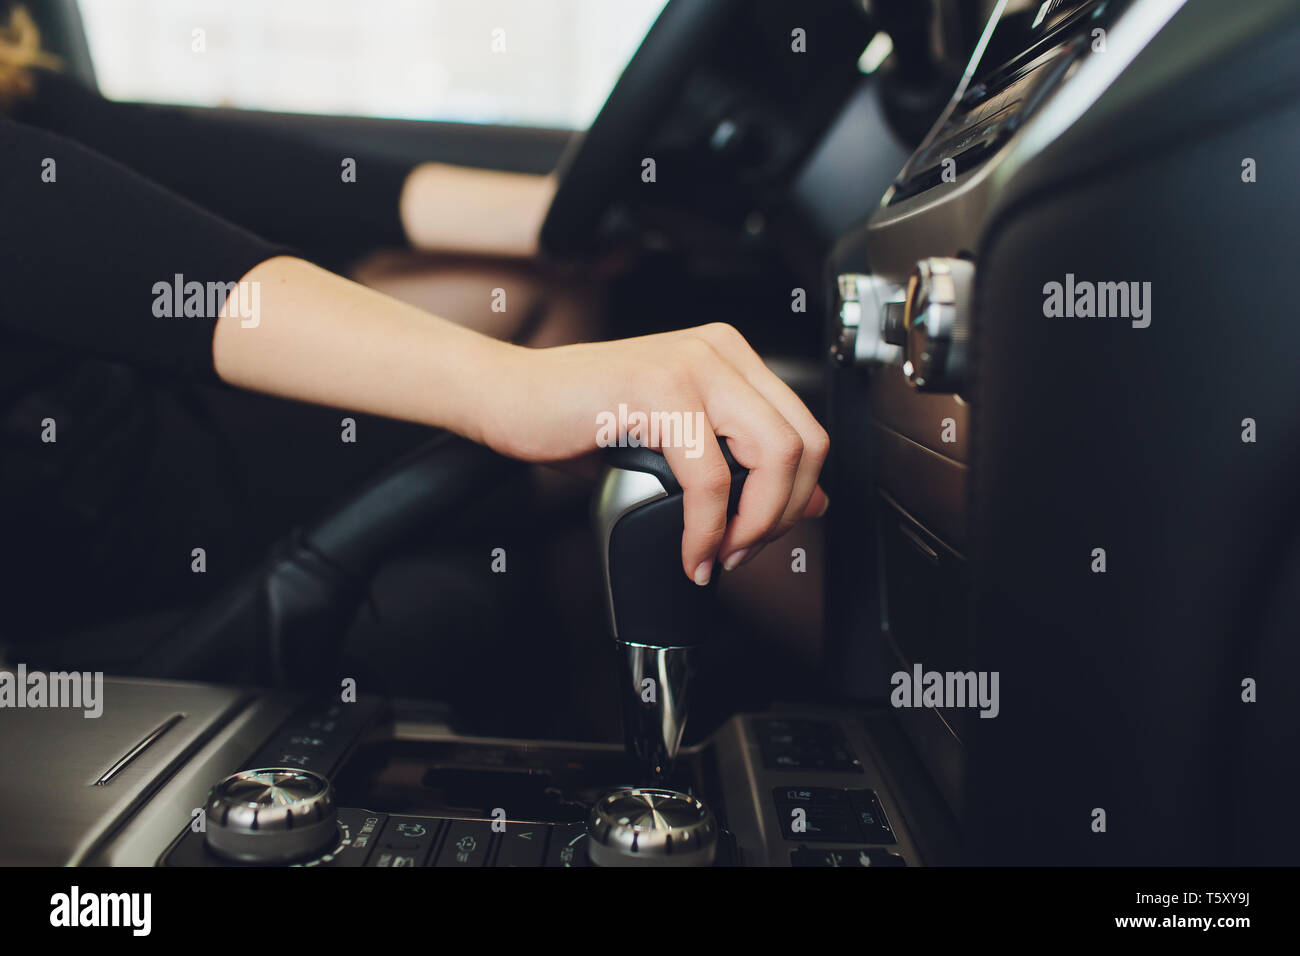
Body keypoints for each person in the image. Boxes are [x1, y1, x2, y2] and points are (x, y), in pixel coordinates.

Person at [0, 6, 829, 644]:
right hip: (95, 504)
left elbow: (177, 158)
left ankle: (601, 648)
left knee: (547, 287)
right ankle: (869, 688)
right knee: (631, 420)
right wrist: (510, 388)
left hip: (134, 409)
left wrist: (554, 213)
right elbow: (37, 209)